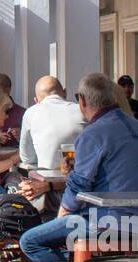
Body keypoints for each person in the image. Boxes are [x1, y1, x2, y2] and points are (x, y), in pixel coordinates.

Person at [19, 73, 138, 262]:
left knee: (30, 241)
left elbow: (77, 188)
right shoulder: (137, 126)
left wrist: (62, 216)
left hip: (106, 221)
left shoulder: (93, 133)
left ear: (81, 101)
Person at [17, 76, 86, 212]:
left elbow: (27, 158)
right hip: (83, 188)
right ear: (65, 92)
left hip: (51, 191)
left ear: (36, 101)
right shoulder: (82, 110)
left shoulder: (31, 113)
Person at [0, 73, 26, 145]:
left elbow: (32, 141)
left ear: (8, 90)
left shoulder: (23, 113)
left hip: (14, 153)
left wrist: (21, 136)